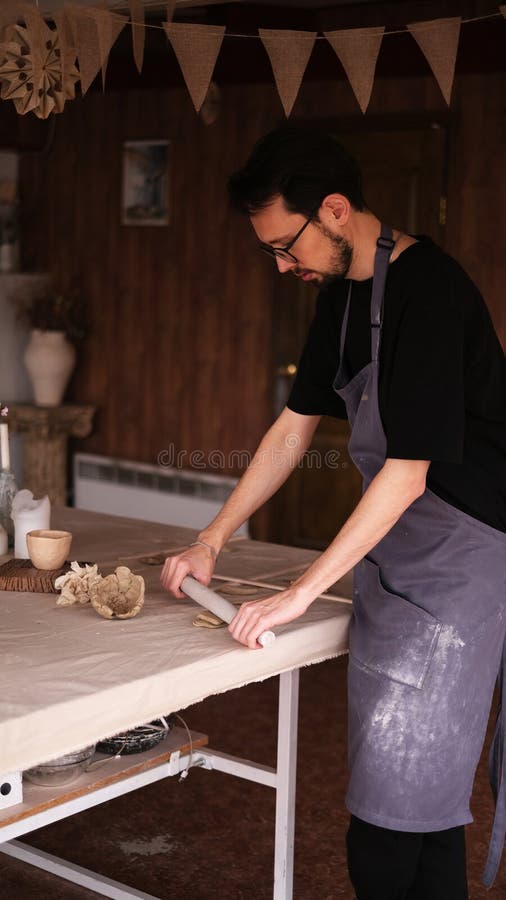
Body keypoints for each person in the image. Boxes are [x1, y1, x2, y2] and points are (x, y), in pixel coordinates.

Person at [161, 126, 506, 899]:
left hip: (464, 557)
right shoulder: (342, 300)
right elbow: (293, 429)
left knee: (392, 824)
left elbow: (407, 474)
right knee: (411, 804)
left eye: (285, 247)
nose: (283, 268)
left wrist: (299, 592)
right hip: (396, 548)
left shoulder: (432, 291)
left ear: (336, 210)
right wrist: (213, 538)